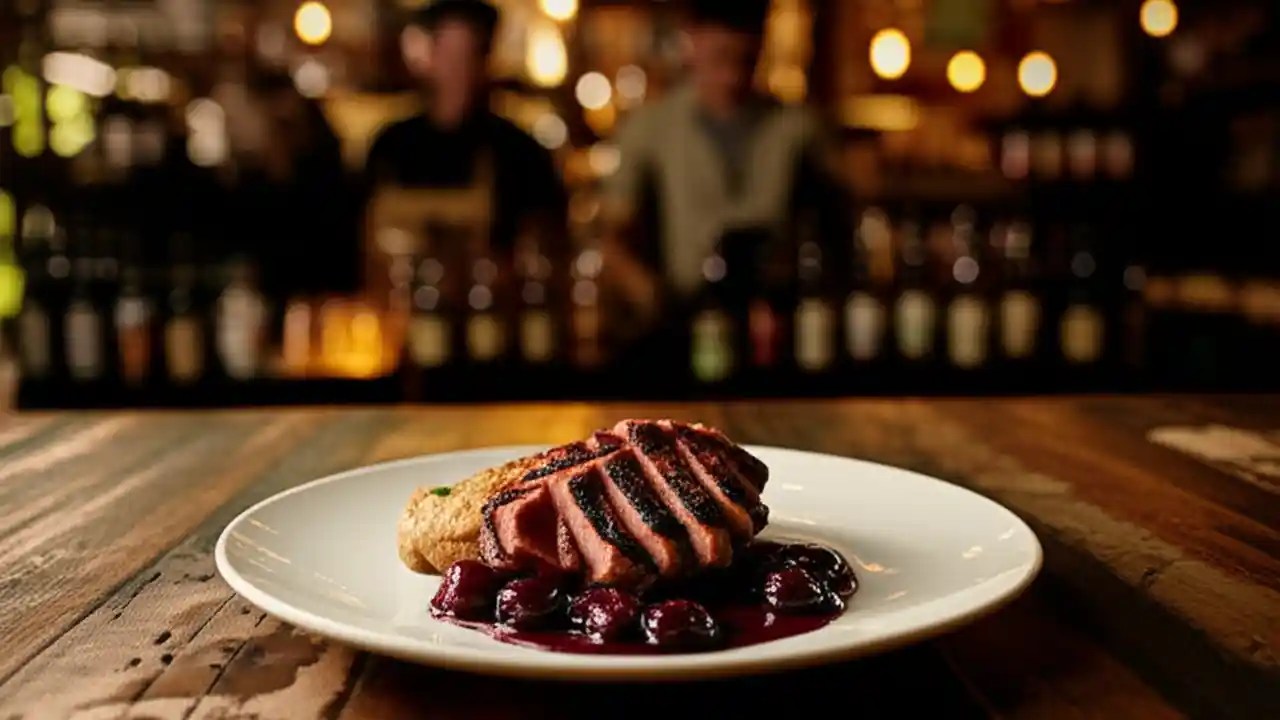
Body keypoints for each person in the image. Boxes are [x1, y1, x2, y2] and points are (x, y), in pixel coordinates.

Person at [599, 0, 849, 336]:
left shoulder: (797, 129)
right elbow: (613, 233)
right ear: (692, 42)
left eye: (746, 61)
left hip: (775, 314)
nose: (732, 76)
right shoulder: (651, 127)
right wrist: (648, 294)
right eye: (720, 58)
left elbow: (840, 222)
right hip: (686, 311)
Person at [362, 0, 567, 284]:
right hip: (396, 309)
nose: (457, 70)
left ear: (485, 62)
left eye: (468, 56)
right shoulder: (390, 145)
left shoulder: (520, 152)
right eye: (449, 55)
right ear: (430, 59)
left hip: (483, 315)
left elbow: (546, 249)